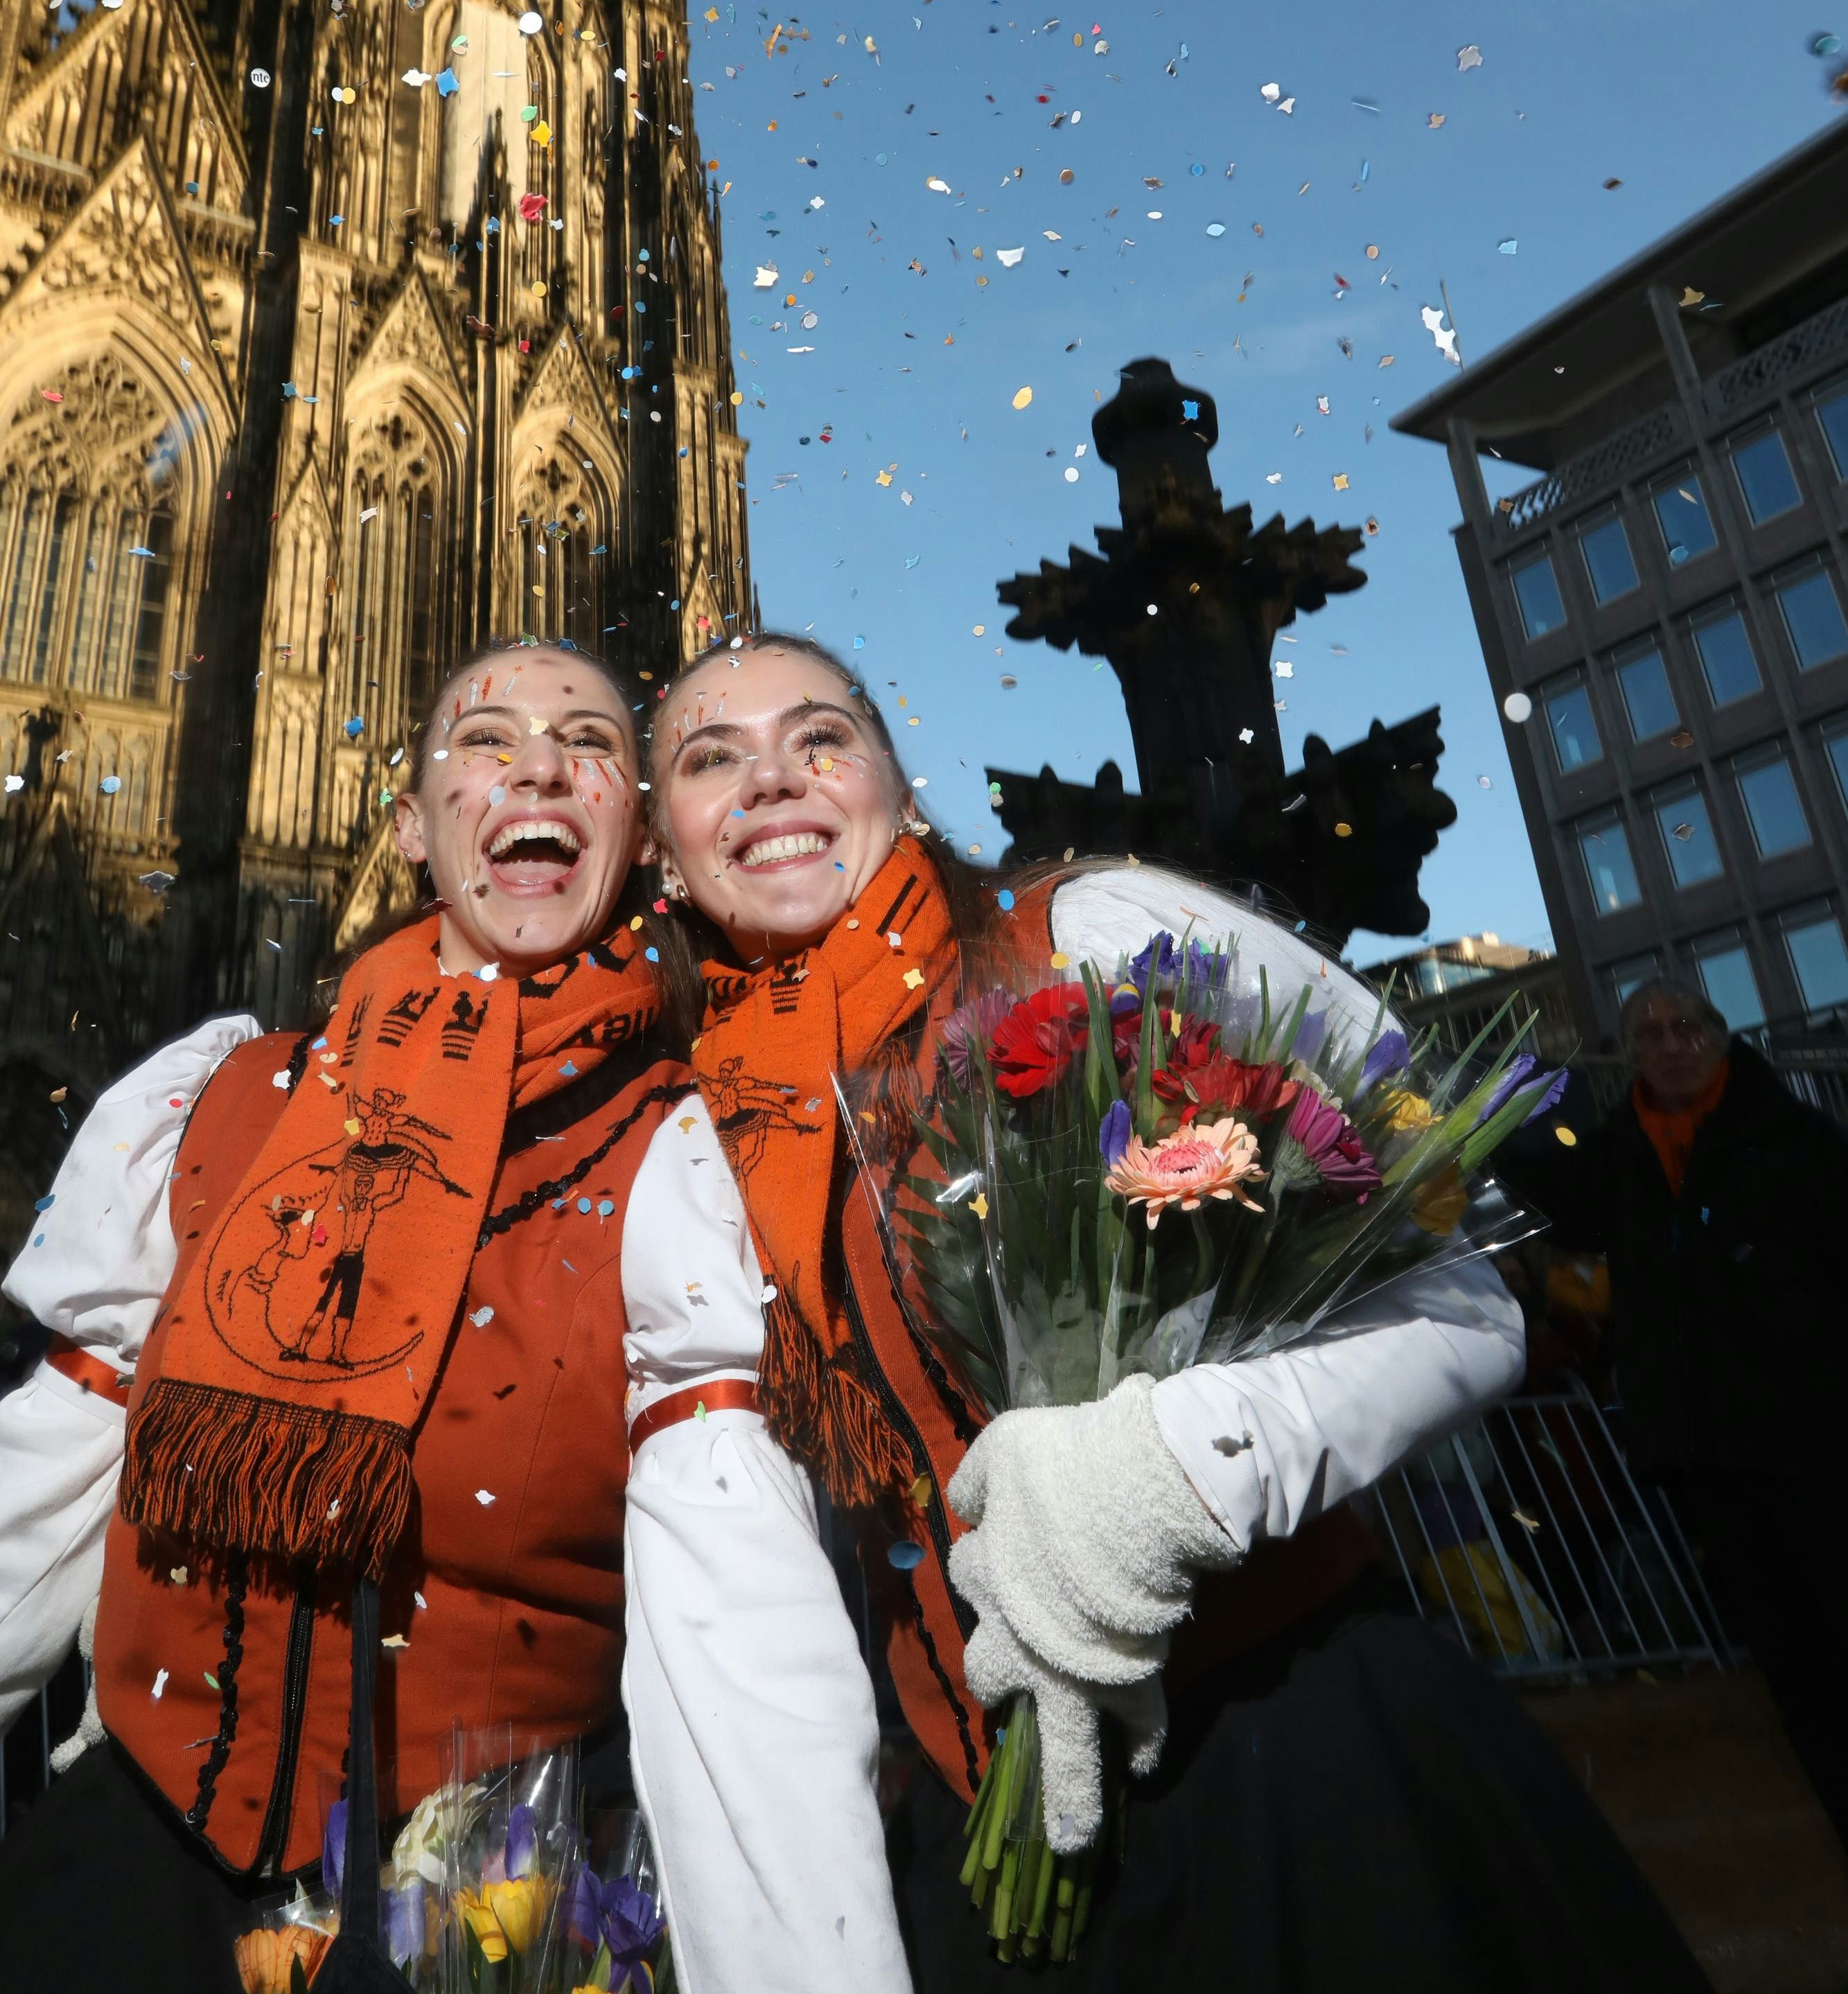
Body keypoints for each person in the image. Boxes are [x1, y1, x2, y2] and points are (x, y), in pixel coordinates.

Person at [624, 629, 1709, 1994]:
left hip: (1295, 1760)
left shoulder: (1085, 928)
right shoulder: (691, 1143)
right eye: (713, 758)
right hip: (992, 1851)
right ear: (661, 847)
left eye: (820, 738)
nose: (774, 778)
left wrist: (1179, 1465)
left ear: (895, 783)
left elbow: (1456, 1278)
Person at [0, 638, 691, 1989]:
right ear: (406, 827)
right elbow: (47, 1473)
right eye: (482, 738)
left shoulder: (682, 1159)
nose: (536, 764)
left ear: (648, 835)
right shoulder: (224, 1096)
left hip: (484, 1903)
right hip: (140, 1857)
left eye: (590, 742)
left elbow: (735, 1599)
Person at [1502, 976, 1848, 1844]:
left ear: (1718, 1035)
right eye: (1648, 1031)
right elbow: (1559, 1203)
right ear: (1630, 1053)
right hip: (1706, 1461)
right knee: (1793, 1672)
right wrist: (1479, 1127)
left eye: (1684, 1026)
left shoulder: (1796, 1139)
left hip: (1815, 1442)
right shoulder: (1620, 1158)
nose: (1669, 1042)